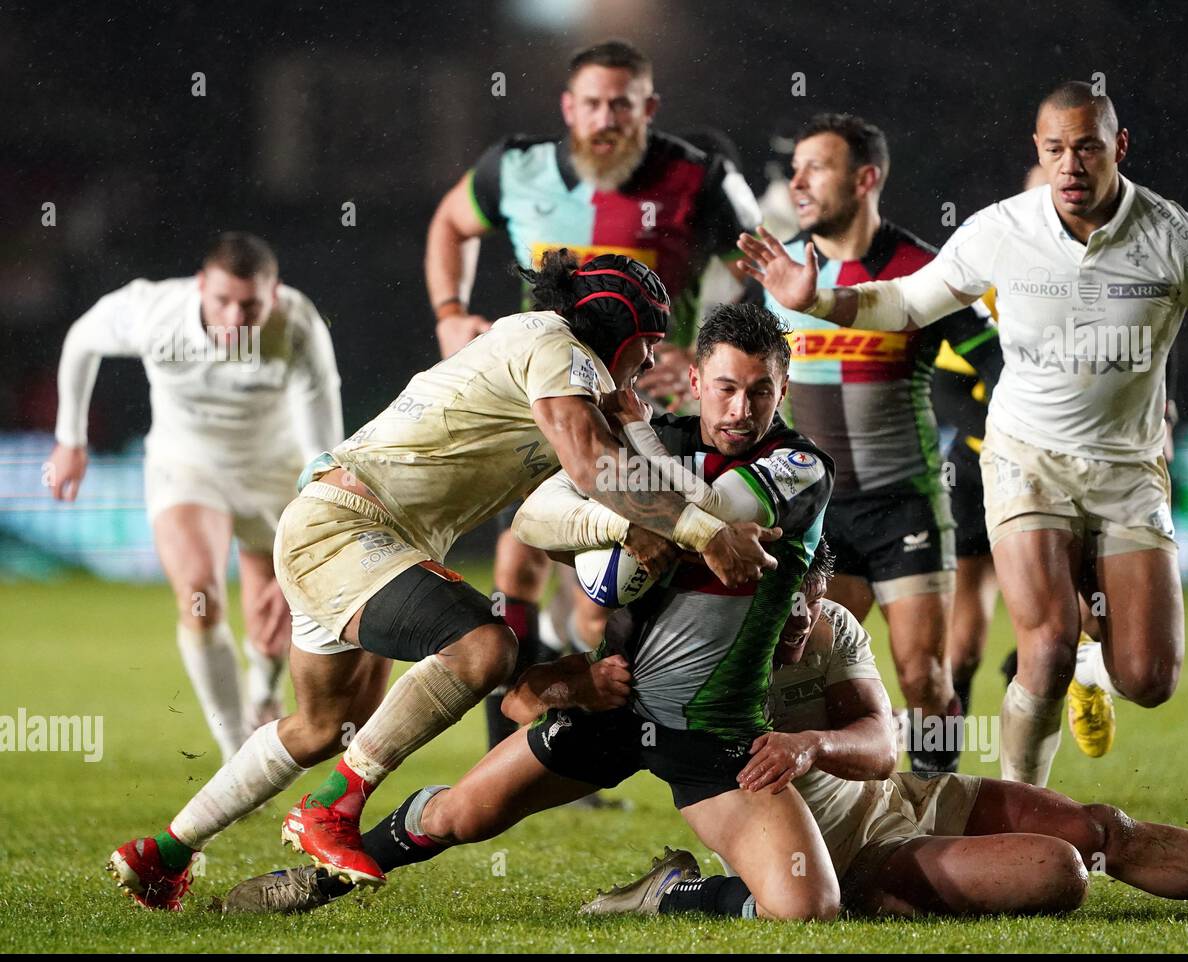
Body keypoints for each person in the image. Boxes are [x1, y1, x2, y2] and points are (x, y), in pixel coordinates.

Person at [108, 252, 777, 910]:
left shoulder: (555, 368)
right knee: (484, 648)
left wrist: (633, 455)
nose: (651, 363)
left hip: (348, 530)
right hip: (350, 531)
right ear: (621, 337)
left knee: (325, 725)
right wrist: (706, 535)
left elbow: (561, 513)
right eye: (650, 346)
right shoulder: (555, 348)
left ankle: (165, 852)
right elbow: (598, 472)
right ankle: (331, 807)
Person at [739, 81, 1188, 787]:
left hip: (1127, 473)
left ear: (1118, 148)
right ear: (1038, 151)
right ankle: (1025, 811)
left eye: (1088, 147)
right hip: (1023, 459)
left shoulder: (1174, 237)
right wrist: (817, 298)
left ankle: (1095, 663)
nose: (1071, 164)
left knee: (1150, 677)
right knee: (1043, 646)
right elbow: (909, 303)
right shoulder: (1000, 230)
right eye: (1055, 148)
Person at [224, 303, 841, 920]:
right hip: (612, 697)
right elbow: (532, 516)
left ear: (783, 389)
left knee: (805, 906)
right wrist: (612, 519)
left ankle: (665, 896)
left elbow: (713, 510)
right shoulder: (637, 442)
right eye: (727, 388)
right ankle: (310, 884)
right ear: (698, 383)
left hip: (711, 728)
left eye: (761, 392)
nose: (741, 410)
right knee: (457, 814)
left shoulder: (799, 466)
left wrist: (638, 448)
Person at [580, 558, 1188, 919]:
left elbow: (880, 743)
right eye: (781, 601)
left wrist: (811, 745)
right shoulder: (702, 655)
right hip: (851, 855)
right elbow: (610, 731)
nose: (799, 617)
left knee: (1099, 826)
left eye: (811, 596)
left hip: (902, 797)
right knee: (1061, 872)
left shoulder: (829, 626)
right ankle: (686, 893)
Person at [426, 39, 761, 749]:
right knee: (516, 561)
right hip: (547, 403)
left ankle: (598, 741)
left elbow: (760, 276)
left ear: (649, 107)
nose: (605, 117)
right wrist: (450, 312)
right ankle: (511, 749)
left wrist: (702, 358)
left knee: (610, 582)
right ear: (567, 107)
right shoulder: (514, 170)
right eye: (592, 103)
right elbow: (450, 223)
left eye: (621, 103)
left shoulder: (699, 176)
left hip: (641, 414)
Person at [750, 113, 999, 773]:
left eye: (816, 168)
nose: (797, 182)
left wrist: (1003, 444)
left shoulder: (924, 270)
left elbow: (996, 364)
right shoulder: (780, 274)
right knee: (819, 679)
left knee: (924, 678)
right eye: (795, 168)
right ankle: (847, 830)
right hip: (819, 514)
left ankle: (937, 804)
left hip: (905, 505)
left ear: (866, 178)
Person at [48, 232, 342, 761]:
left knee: (275, 628)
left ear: (273, 294)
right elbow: (81, 340)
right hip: (188, 468)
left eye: (249, 305)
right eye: (222, 301)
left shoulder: (297, 326)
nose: (234, 318)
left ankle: (262, 687)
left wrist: (307, 537)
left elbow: (322, 451)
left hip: (274, 475)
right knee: (199, 596)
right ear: (200, 286)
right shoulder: (153, 312)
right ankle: (236, 753)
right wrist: (71, 440)